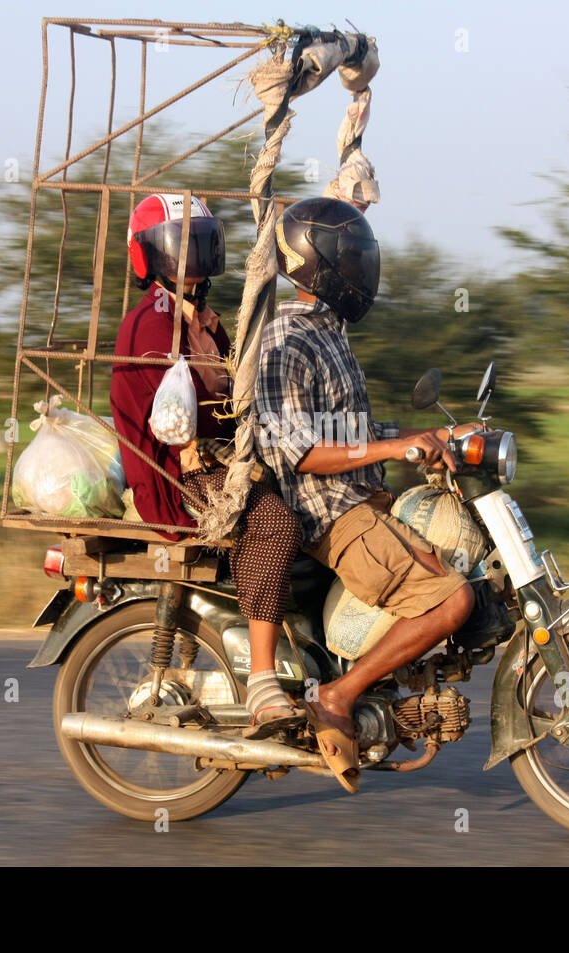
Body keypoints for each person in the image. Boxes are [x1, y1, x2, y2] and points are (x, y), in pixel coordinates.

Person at [255, 197, 478, 792]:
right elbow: (299, 449)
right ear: (317, 262)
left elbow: (350, 434)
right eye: (352, 257)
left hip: (362, 503)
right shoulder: (287, 338)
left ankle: (386, 687)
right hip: (328, 514)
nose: (362, 269)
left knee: (465, 569)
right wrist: (390, 450)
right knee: (451, 602)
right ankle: (336, 696)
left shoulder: (331, 334)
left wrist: (432, 437)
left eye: (363, 257)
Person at [111, 193, 303, 728]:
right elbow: (176, 423)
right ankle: (263, 680)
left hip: (212, 461)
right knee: (274, 524)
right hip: (175, 477)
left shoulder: (205, 322)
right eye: (181, 245)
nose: (192, 258)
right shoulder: (151, 322)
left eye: (199, 244)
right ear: (151, 256)